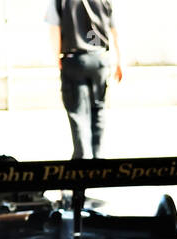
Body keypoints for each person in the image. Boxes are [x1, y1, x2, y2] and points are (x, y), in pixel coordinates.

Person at [45, 0, 123, 159]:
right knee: (98, 109)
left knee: (78, 113)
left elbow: (54, 29)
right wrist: (119, 61)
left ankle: (82, 162)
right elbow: (114, 31)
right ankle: (98, 157)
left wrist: (57, 57)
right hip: (100, 58)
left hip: (74, 59)